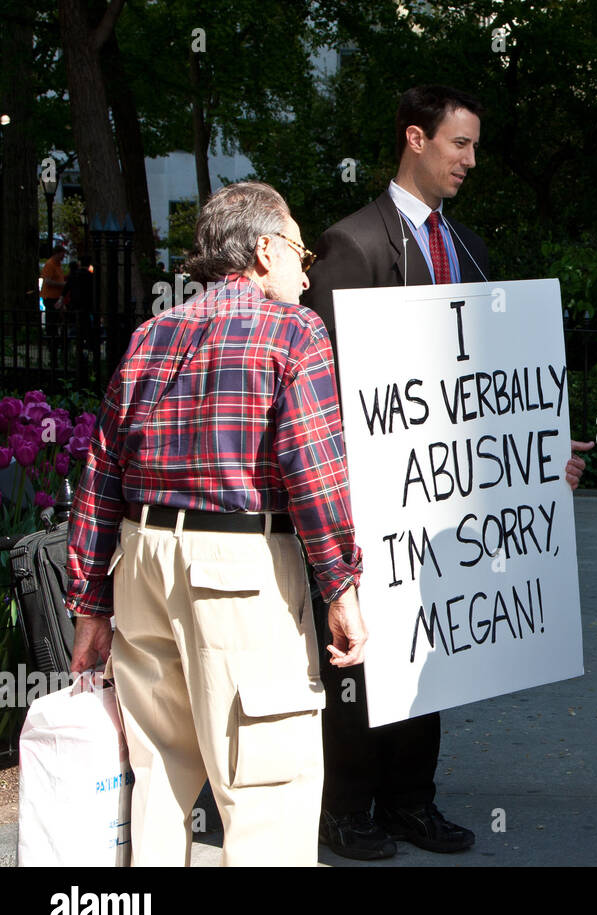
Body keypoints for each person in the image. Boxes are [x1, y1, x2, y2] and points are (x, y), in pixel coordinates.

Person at [304, 84, 590, 860]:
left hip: (450, 499)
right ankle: (347, 808)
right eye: (460, 143)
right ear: (416, 140)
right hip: (373, 500)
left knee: (439, 646)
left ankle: (411, 801)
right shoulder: (350, 244)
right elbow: (322, 388)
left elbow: (490, 385)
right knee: (362, 659)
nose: (471, 159)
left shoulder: (467, 249)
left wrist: (536, 457)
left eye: (474, 146)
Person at [65, 181, 369, 866]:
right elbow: (314, 471)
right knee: (266, 791)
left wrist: (88, 604)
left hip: (142, 566)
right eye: (300, 251)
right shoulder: (294, 332)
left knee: (155, 786)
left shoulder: (152, 333)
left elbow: (100, 472)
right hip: (239, 573)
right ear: (265, 250)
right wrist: (341, 590)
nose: (305, 268)